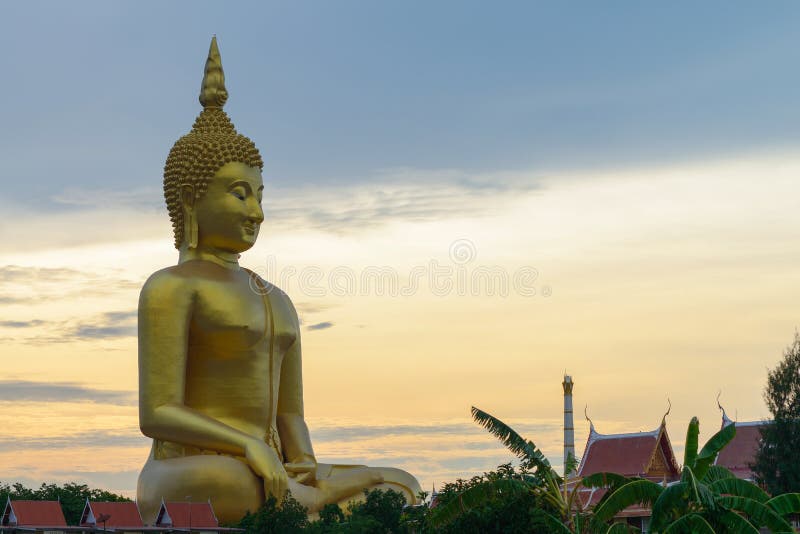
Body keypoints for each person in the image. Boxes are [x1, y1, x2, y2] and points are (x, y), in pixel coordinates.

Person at [136, 37, 420, 524]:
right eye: (240, 195)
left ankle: (305, 502)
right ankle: (313, 509)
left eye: (260, 195)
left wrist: (304, 462)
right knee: (237, 483)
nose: (257, 213)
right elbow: (158, 413)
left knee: (399, 484)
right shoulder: (170, 288)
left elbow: (290, 416)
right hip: (191, 470)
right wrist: (246, 445)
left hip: (273, 469)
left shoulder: (277, 298)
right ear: (191, 200)